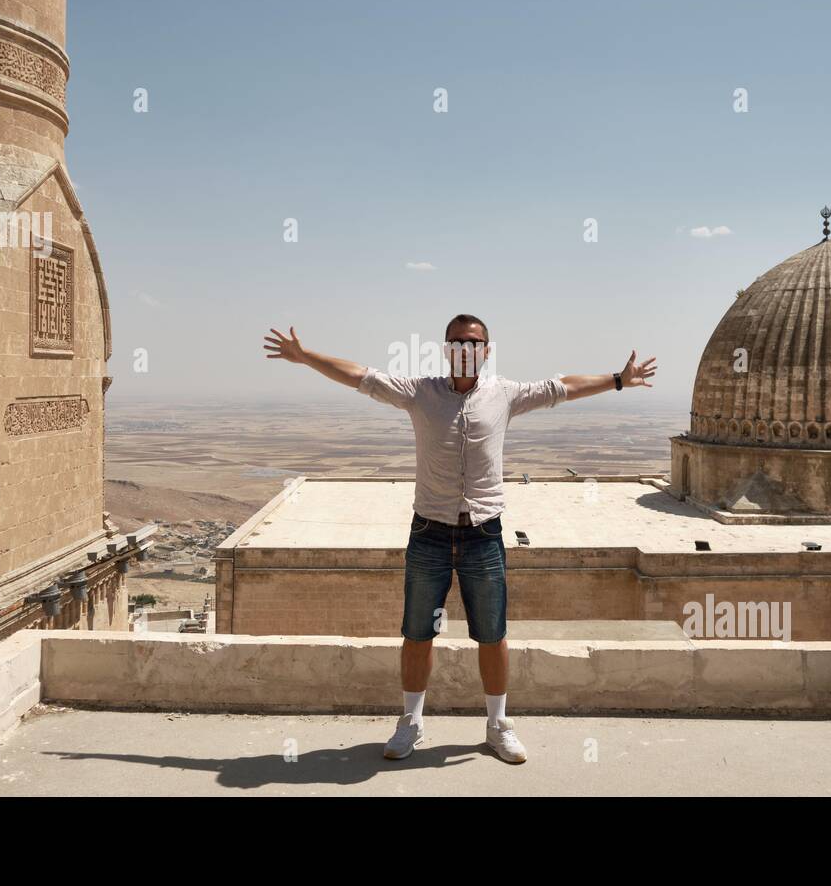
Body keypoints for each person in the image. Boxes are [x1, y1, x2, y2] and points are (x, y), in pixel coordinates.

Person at [263, 315, 656, 763]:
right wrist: (304, 355)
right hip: (429, 531)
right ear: (445, 348)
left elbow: (562, 386)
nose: (466, 348)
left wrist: (618, 380)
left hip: (484, 534)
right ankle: (410, 723)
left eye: (474, 342)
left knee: (492, 635)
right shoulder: (420, 393)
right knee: (417, 633)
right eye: (457, 342)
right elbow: (361, 376)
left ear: (488, 349)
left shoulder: (505, 395)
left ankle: (498, 725)